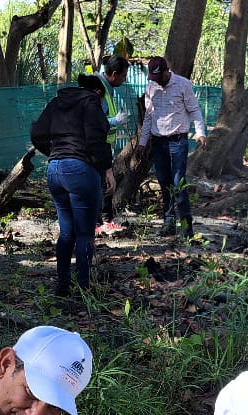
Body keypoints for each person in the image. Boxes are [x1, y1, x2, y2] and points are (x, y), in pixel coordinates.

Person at [31, 74, 114, 295]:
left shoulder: (57, 102)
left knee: (67, 232)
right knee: (85, 233)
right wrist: (107, 169)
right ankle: (83, 287)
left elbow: (37, 133)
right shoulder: (91, 103)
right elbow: (97, 140)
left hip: (54, 170)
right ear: (97, 92)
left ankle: (62, 285)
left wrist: (55, 153)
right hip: (80, 170)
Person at [133, 56, 206, 239]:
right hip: (158, 143)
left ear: (167, 71)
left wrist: (200, 132)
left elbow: (194, 110)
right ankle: (168, 222)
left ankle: (187, 227)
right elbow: (148, 117)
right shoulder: (151, 87)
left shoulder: (183, 85)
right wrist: (142, 143)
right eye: (153, 77)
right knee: (164, 183)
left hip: (178, 141)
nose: (156, 81)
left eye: (159, 76)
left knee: (178, 183)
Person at [92, 56, 130, 236]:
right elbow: (92, 121)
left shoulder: (107, 88)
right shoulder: (98, 89)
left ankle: (104, 220)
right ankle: (100, 222)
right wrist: (116, 120)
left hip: (104, 144)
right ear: (113, 74)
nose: (124, 80)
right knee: (102, 184)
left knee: (105, 182)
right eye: (123, 76)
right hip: (97, 145)